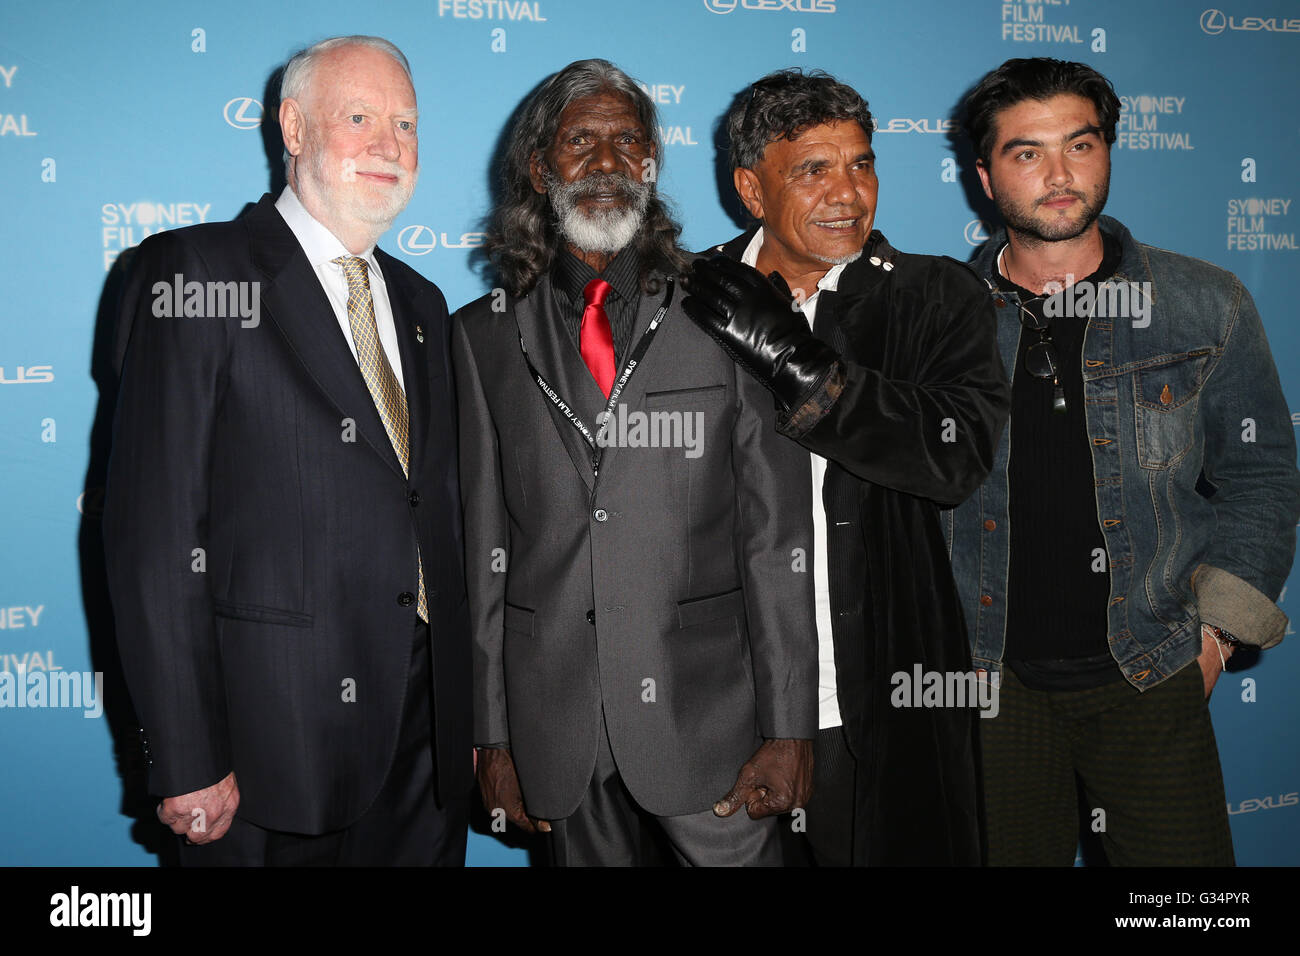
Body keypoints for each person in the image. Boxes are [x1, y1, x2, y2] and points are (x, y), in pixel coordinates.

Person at [103, 36, 472, 866]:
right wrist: (189, 756)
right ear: (294, 128)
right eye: (360, 117)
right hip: (265, 755)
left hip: (423, 749)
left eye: (406, 122)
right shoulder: (196, 270)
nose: (389, 143)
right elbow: (154, 536)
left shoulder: (423, 300)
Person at [454, 58, 817, 866]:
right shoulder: (480, 337)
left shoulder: (726, 306)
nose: (608, 162)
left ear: (652, 162)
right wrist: (491, 738)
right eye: (580, 141)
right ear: (540, 165)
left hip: (713, 726)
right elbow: (482, 559)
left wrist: (789, 727)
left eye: (629, 141)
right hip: (558, 736)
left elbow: (776, 536)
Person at [949, 56, 1300, 865]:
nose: (1061, 174)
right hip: (989, 683)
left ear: (1108, 150)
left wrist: (1216, 634)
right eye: (1027, 152)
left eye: (1081, 144)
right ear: (984, 174)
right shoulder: (941, 317)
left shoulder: (1202, 303)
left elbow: (1263, 477)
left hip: (1151, 674)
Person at [683, 69, 1010, 865]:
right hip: (716, 696)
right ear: (751, 190)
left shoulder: (936, 295)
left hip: (888, 692)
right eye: (813, 170)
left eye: (861, 164)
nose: (848, 193)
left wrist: (797, 364)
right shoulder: (687, 295)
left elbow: (955, 455)